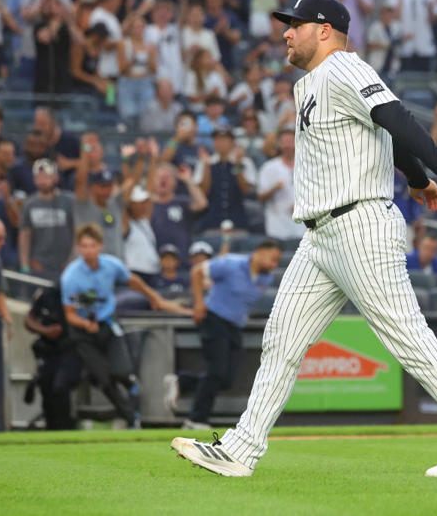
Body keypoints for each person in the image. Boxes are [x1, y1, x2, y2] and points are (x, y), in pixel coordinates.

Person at [171, 0, 437, 478]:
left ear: (324, 29)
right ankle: (242, 450)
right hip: (319, 237)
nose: (286, 32)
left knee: (407, 338)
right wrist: (416, 178)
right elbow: (379, 132)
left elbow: (394, 115)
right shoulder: (310, 83)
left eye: (296, 24)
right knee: (281, 341)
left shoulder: (345, 69)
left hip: (359, 226)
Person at [60, 223, 169, 429]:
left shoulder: (111, 265)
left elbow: (132, 280)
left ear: (100, 246)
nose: (88, 250)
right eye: (84, 246)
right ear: (78, 248)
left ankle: (130, 386)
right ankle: (131, 417)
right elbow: (69, 315)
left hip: (108, 325)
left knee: (122, 371)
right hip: (83, 332)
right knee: (103, 377)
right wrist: (84, 323)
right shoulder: (71, 277)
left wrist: (151, 295)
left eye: (92, 245)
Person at [164, 239, 280, 429]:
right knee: (216, 371)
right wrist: (199, 303)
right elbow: (197, 271)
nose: (274, 265)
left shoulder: (265, 278)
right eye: (272, 259)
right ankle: (196, 419)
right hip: (214, 318)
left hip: (235, 325)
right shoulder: (230, 263)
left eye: (276, 261)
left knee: (226, 379)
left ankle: (182, 381)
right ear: (259, 252)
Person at [24, 284, 82, 430]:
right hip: (48, 350)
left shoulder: (82, 292)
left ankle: (66, 428)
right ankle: (52, 430)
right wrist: (45, 330)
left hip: (71, 349)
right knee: (46, 388)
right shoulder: (48, 294)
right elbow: (29, 319)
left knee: (60, 386)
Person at [18, 158, 74, 281]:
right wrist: (25, 265)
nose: (42, 181)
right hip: (39, 264)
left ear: (55, 177)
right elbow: (25, 235)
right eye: (39, 177)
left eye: (46, 177)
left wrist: (72, 261)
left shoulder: (69, 201)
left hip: (65, 263)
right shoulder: (29, 204)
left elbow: (77, 233)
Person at [193, 125, 256, 233]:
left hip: (238, 221)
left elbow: (246, 191)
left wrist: (237, 166)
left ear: (232, 142)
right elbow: (203, 192)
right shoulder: (205, 163)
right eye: (217, 139)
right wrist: (206, 167)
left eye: (224, 139)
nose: (220, 143)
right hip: (212, 222)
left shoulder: (245, 162)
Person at [73, 133, 124, 259]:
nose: (106, 190)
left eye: (109, 186)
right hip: (87, 262)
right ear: (93, 187)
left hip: (113, 262)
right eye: (102, 186)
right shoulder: (83, 203)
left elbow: (130, 184)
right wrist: (85, 150)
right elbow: (81, 181)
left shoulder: (114, 203)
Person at [152, 162, 208, 264]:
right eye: (159, 177)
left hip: (181, 259)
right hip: (154, 259)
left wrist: (188, 180)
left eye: (167, 177)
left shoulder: (182, 202)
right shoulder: (146, 205)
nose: (163, 180)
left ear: (175, 182)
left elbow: (202, 204)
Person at [257, 126, 305, 240]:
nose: (288, 145)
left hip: (303, 228)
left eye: (290, 141)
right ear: (279, 144)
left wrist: (301, 205)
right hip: (277, 227)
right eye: (284, 142)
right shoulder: (269, 167)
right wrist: (274, 188)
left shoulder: (307, 165)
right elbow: (260, 197)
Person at [117, 15, 157, 126]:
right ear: (131, 29)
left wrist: (148, 59)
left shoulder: (150, 46)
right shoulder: (123, 44)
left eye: (141, 27)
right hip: (128, 82)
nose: (139, 30)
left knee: (145, 116)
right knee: (128, 114)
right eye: (136, 27)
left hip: (145, 82)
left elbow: (154, 69)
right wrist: (133, 60)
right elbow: (121, 69)